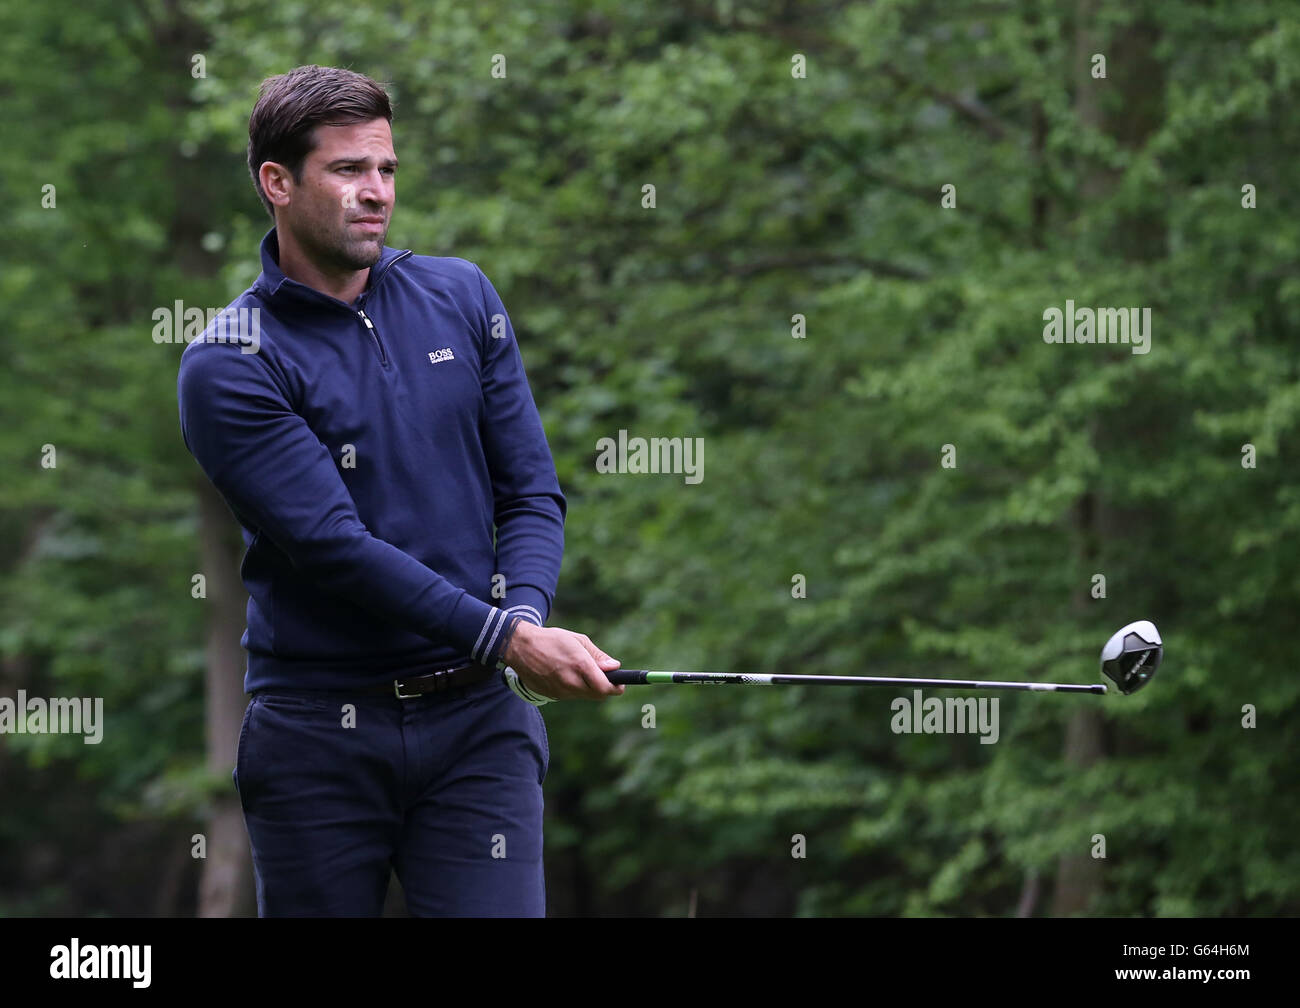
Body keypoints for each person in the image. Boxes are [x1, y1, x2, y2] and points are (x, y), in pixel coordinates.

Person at [177, 64, 623, 917]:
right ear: (277, 181)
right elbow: (331, 545)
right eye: (348, 170)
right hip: (317, 736)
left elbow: (529, 491)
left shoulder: (462, 296)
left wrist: (519, 621)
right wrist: (510, 640)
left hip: (479, 728)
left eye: (385, 169)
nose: (375, 191)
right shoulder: (230, 360)